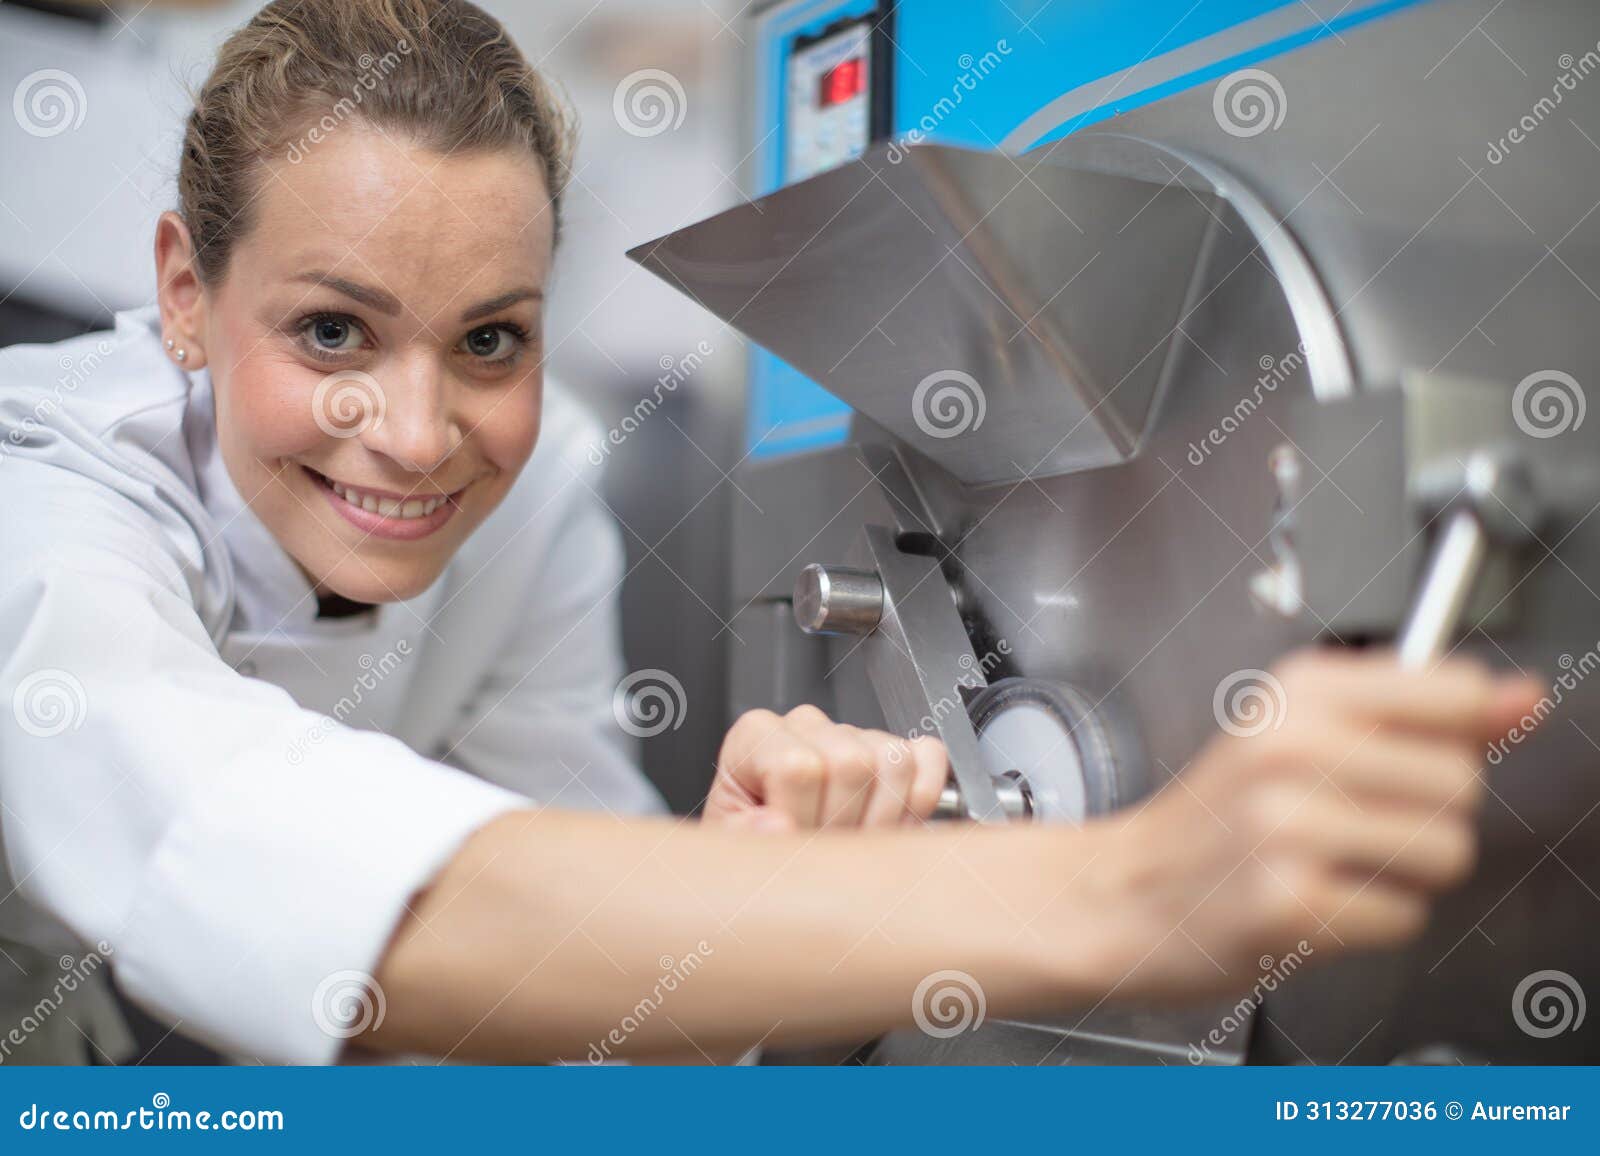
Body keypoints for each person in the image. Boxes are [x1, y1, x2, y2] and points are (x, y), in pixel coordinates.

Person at [0, 0, 1540, 1066]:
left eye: (489, 342)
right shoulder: (46, 504)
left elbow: (573, 1016)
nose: (417, 435)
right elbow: (323, 893)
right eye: (334, 332)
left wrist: (730, 877)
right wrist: (1146, 889)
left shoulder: (525, 500)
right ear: (186, 294)